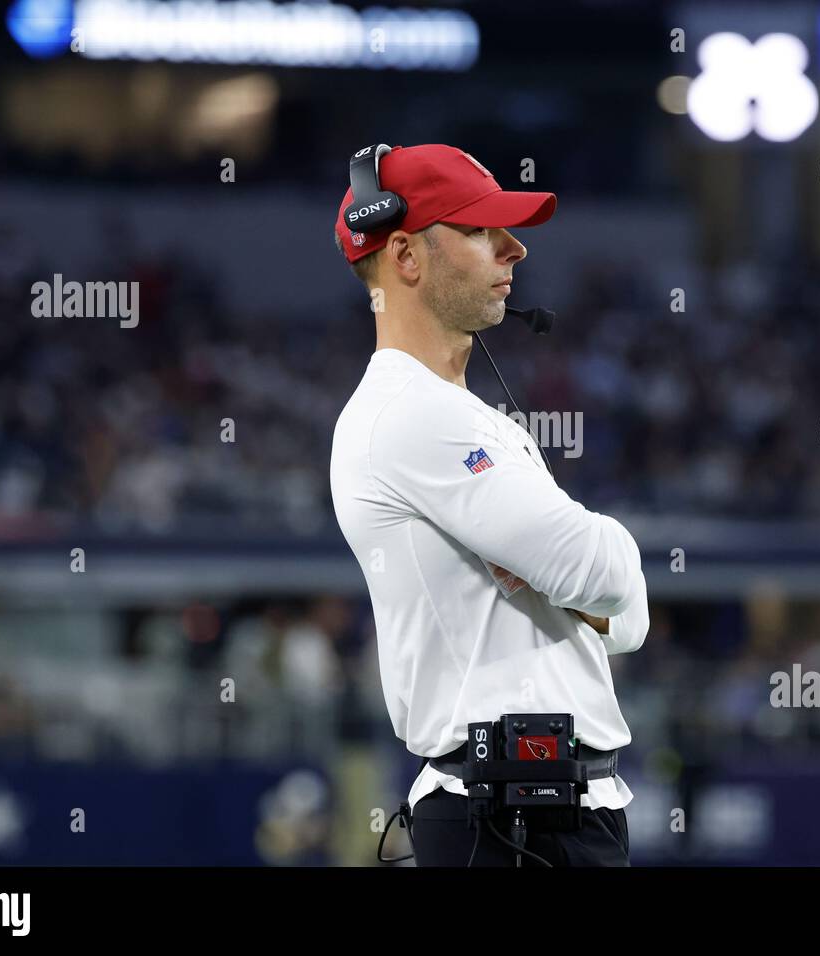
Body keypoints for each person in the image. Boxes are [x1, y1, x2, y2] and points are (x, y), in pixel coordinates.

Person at [328, 144, 648, 866]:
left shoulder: (464, 416)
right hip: (505, 821)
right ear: (406, 256)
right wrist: (584, 568)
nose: (515, 248)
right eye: (480, 230)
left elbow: (627, 623)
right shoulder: (413, 415)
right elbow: (601, 572)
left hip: (541, 812)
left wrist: (574, 572)